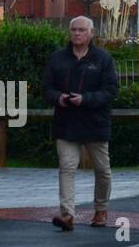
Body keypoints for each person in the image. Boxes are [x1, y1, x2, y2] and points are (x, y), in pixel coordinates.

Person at [42, 15, 118, 231]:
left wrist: (86, 99)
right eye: (74, 29)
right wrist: (59, 98)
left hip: (95, 122)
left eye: (82, 30)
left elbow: (111, 90)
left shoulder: (103, 59)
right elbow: (46, 88)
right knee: (66, 168)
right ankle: (67, 215)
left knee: (103, 170)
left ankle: (101, 210)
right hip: (66, 123)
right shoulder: (57, 59)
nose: (77, 33)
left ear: (91, 33)